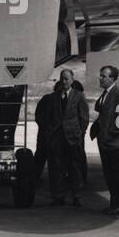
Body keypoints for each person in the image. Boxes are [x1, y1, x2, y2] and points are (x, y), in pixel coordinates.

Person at [36, 68, 88, 206]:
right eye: (62, 79)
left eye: (67, 79)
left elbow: (83, 117)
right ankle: (58, 196)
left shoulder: (79, 96)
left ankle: (77, 196)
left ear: (72, 80)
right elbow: (46, 117)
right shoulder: (53, 97)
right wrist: (49, 133)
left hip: (72, 137)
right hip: (56, 138)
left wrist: (80, 134)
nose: (64, 81)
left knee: (74, 167)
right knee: (56, 167)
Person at [90, 65, 119, 214]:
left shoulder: (118, 94)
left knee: (117, 175)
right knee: (110, 174)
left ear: (112, 79)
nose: (100, 78)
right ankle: (115, 203)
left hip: (113, 142)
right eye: (101, 75)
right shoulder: (106, 93)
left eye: (103, 76)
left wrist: (112, 133)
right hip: (105, 141)